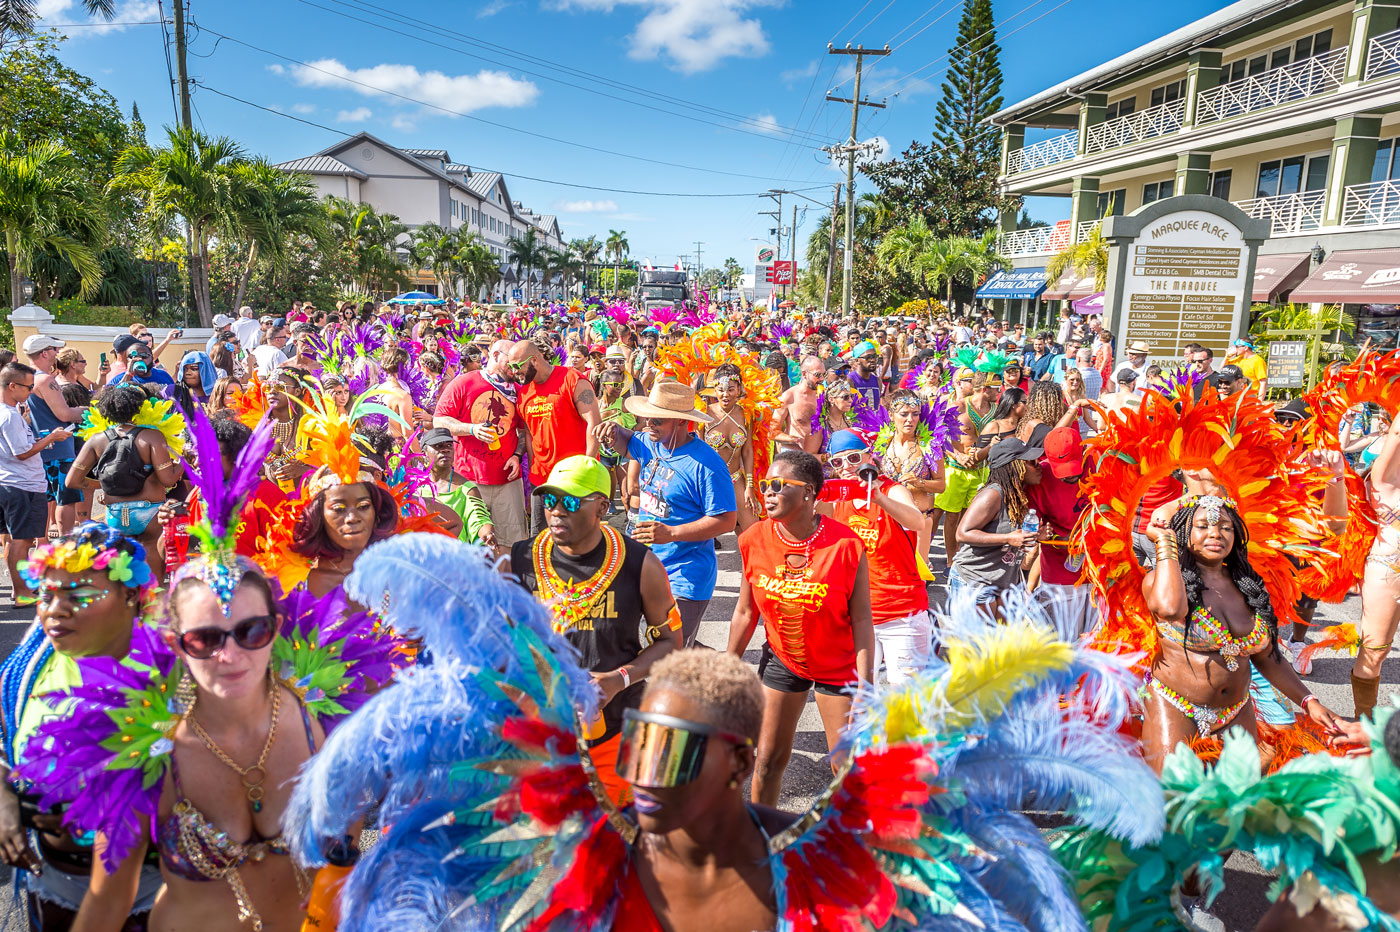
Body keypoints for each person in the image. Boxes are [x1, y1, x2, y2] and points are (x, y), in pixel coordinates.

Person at [0, 524, 161, 930]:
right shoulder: (29, 668)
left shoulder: (172, 675)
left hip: (158, 898)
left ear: (129, 595)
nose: (54, 610)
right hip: (52, 885)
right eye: (46, 595)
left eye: (81, 595)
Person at [509, 455, 682, 804]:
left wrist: (618, 680)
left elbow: (670, 642)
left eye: (570, 501)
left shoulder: (640, 564)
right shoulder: (521, 560)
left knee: (615, 837)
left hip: (616, 729)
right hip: (546, 734)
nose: (556, 511)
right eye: (550, 500)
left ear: (602, 506)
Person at [1139, 493, 1351, 771]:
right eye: (1203, 526)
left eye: (1225, 527)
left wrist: (1309, 701)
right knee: (1175, 798)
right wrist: (1165, 543)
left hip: (1236, 710)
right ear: (1184, 532)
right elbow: (1169, 609)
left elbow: (1267, 657)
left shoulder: (1248, 585)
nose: (1215, 534)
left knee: (1237, 801)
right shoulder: (1162, 580)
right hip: (1176, 707)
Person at [727, 449, 872, 806]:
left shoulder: (847, 546)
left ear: (808, 492)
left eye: (778, 485)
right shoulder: (753, 539)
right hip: (783, 659)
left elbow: (863, 620)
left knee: (846, 768)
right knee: (767, 760)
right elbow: (746, 612)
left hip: (838, 668)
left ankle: (852, 846)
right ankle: (762, 837)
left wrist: (866, 686)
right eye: (765, 485)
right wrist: (726, 664)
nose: (768, 493)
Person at [596, 380, 737, 644]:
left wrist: (672, 532)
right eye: (647, 418)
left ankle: (723, 678)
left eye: (657, 420)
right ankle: (716, 670)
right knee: (661, 646)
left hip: (686, 577)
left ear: (681, 422)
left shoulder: (706, 465)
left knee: (669, 650)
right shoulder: (650, 443)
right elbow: (625, 440)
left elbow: (727, 520)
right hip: (648, 568)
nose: (648, 424)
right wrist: (612, 429)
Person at [821, 431, 933, 683]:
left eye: (853, 457)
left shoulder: (892, 490)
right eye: (837, 462)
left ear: (869, 456)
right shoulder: (839, 498)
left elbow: (917, 522)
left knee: (905, 700)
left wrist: (878, 497)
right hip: (856, 615)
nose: (846, 467)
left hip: (901, 614)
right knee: (857, 695)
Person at [65, 385, 183, 580]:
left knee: (122, 577)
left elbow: (72, 480)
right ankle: (150, 603)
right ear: (139, 408)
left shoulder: (96, 440)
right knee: (152, 571)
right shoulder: (152, 436)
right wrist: (183, 464)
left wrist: (103, 485)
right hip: (151, 513)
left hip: (114, 515)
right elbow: (168, 479)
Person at [433, 340, 527, 547]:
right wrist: (472, 429)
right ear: (494, 355)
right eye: (510, 361)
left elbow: (524, 430)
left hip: (507, 480)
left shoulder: (519, 391)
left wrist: (517, 456)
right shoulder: (464, 382)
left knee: (512, 544)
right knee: (470, 543)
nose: (515, 367)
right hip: (468, 480)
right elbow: (439, 421)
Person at [506, 340, 602, 536]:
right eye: (511, 367)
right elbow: (529, 434)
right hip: (541, 480)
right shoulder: (524, 393)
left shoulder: (572, 379)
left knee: (577, 539)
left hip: (574, 478)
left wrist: (586, 468)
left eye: (517, 366)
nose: (514, 372)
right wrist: (533, 474)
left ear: (534, 360)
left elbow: (594, 423)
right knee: (540, 540)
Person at [0, 364, 73, 605]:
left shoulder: (10, 412)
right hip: (21, 485)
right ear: (12, 386)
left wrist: (44, 440)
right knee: (22, 540)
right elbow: (21, 453)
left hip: (13, 483)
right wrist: (51, 438)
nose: (31, 392)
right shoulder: (9, 415)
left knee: (15, 539)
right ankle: (21, 593)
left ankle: (19, 589)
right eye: (28, 387)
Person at [1350, 403, 1400, 720]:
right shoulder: (1385, 486)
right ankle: (1363, 719)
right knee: (1375, 650)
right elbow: (1395, 434)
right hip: (1389, 566)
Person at [950, 438, 1043, 603]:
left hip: (1003, 583)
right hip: (975, 580)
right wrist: (1008, 538)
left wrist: (1036, 536)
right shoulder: (993, 495)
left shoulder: (1018, 494)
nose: (1038, 465)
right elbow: (962, 533)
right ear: (1014, 466)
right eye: (1030, 462)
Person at [1028, 427, 1096, 637]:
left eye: (1073, 471)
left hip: (1096, 565)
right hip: (1060, 569)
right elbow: (1030, 523)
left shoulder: (1097, 463)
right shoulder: (1041, 476)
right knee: (1063, 638)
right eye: (1063, 473)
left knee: (1095, 638)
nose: (1069, 478)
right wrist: (1038, 534)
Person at [22, 335, 84, 537]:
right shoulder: (46, 379)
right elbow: (64, 414)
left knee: (49, 498)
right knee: (66, 498)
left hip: (41, 447)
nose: (57, 353)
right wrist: (86, 410)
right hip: (58, 448)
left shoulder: (26, 378)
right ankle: (67, 542)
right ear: (45, 353)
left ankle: (44, 543)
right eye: (54, 349)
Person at [933, 370, 996, 564]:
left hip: (981, 471)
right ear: (985, 389)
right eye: (996, 388)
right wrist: (958, 455)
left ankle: (966, 559)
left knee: (973, 518)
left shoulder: (997, 409)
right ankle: (952, 560)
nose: (999, 391)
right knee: (951, 517)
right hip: (956, 470)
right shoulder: (958, 407)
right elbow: (938, 436)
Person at [705, 363, 761, 533]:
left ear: (739, 389)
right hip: (709, 480)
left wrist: (749, 486)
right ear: (714, 390)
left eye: (730, 389)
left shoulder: (746, 414)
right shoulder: (704, 414)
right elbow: (698, 450)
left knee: (753, 530)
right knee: (700, 534)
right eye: (720, 389)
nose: (725, 394)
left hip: (736, 478)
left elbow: (748, 451)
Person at [420, 427, 495, 549]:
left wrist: (487, 533)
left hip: (455, 557)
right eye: (438, 446)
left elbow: (478, 519)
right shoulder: (417, 488)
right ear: (424, 454)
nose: (445, 450)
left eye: (449, 445)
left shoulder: (467, 489)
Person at [771, 356, 824, 454]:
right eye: (817, 375)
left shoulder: (824, 396)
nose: (822, 378)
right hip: (794, 457)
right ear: (804, 374)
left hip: (817, 460)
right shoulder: (789, 397)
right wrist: (794, 440)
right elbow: (773, 432)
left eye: (824, 374)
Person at [107, 342, 174, 389]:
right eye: (132, 356)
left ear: (152, 358)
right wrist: (128, 375)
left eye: (144, 356)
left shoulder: (163, 375)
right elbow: (109, 399)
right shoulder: (118, 379)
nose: (138, 359)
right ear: (127, 360)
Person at [173, 351, 217, 416]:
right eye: (185, 369)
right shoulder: (173, 393)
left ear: (206, 371)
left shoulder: (218, 397)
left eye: (194, 369)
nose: (188, 373)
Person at [847, 341, 883, 410]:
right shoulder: (850, 380)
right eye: (868, 357)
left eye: (874, 356)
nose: (872, 360)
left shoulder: (877, 381)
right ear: (857, 360)